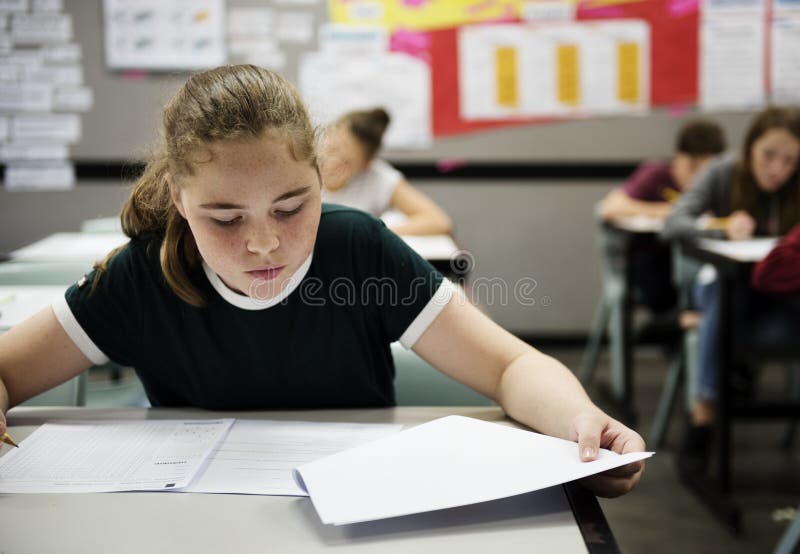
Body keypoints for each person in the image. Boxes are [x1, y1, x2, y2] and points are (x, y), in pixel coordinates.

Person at [0, 65, 643, 498]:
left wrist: (579, 420)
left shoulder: (358, 251)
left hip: (361, 510)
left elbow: (509, 368)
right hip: (196, 520)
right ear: (178, 197)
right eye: (224, 217)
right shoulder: (143, 274)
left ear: (321, 178)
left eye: (291, 207)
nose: (263, 243)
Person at [662, 106, 800, 470]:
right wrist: (720, 227)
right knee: (725, 296)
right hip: (725, 288)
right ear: (750, 146)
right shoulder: (723, 171)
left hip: (779, 297)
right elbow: (673, 224)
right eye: (769, 155)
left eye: (789, 161)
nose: (777, 169)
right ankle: (704, 412)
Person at [599, 118, 726, 317]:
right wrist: (670, 211)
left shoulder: (717, 183)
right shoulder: (656, 174)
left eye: (706, 171)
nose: (698, 178)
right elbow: (610, 207)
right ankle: (680, 319)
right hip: (656, 265)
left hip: (699, 262)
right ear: (679, 157)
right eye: (692, 167)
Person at [319, 107, 453, 236]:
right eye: (332, 149)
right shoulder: (304, 164)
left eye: (347, 162)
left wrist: (376, 233)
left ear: (366, 164)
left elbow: (438, 221)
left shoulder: (378, 177)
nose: (332, 163)